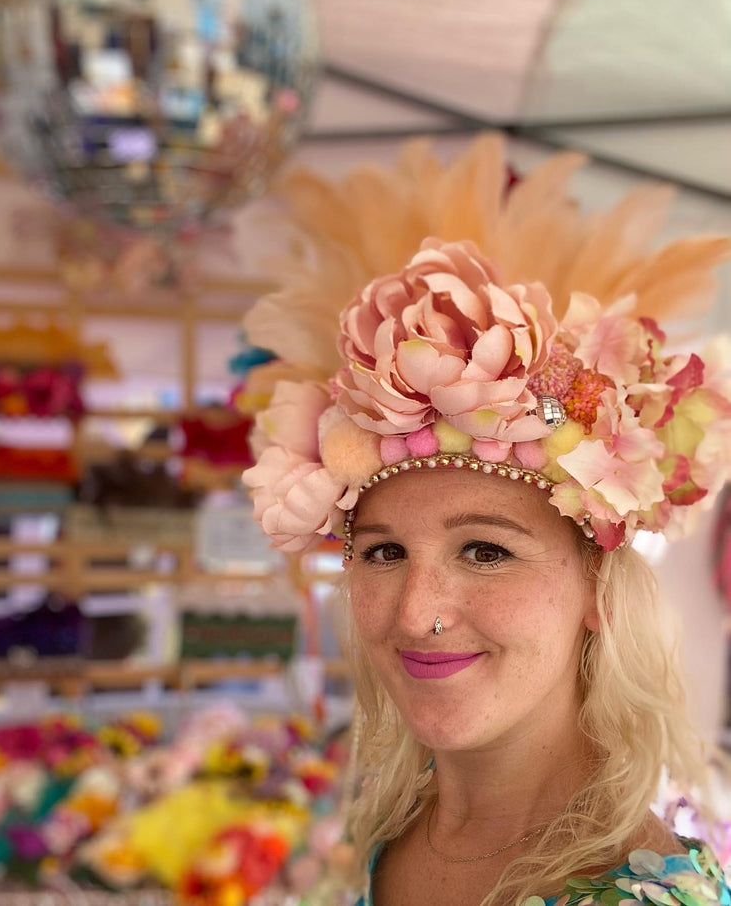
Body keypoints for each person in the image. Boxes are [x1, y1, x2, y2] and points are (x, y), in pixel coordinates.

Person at [241, 137, 731, 906]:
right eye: (383, 553)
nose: (417, 613)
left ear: (598, 586)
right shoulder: (380, 830)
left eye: (485, 550)